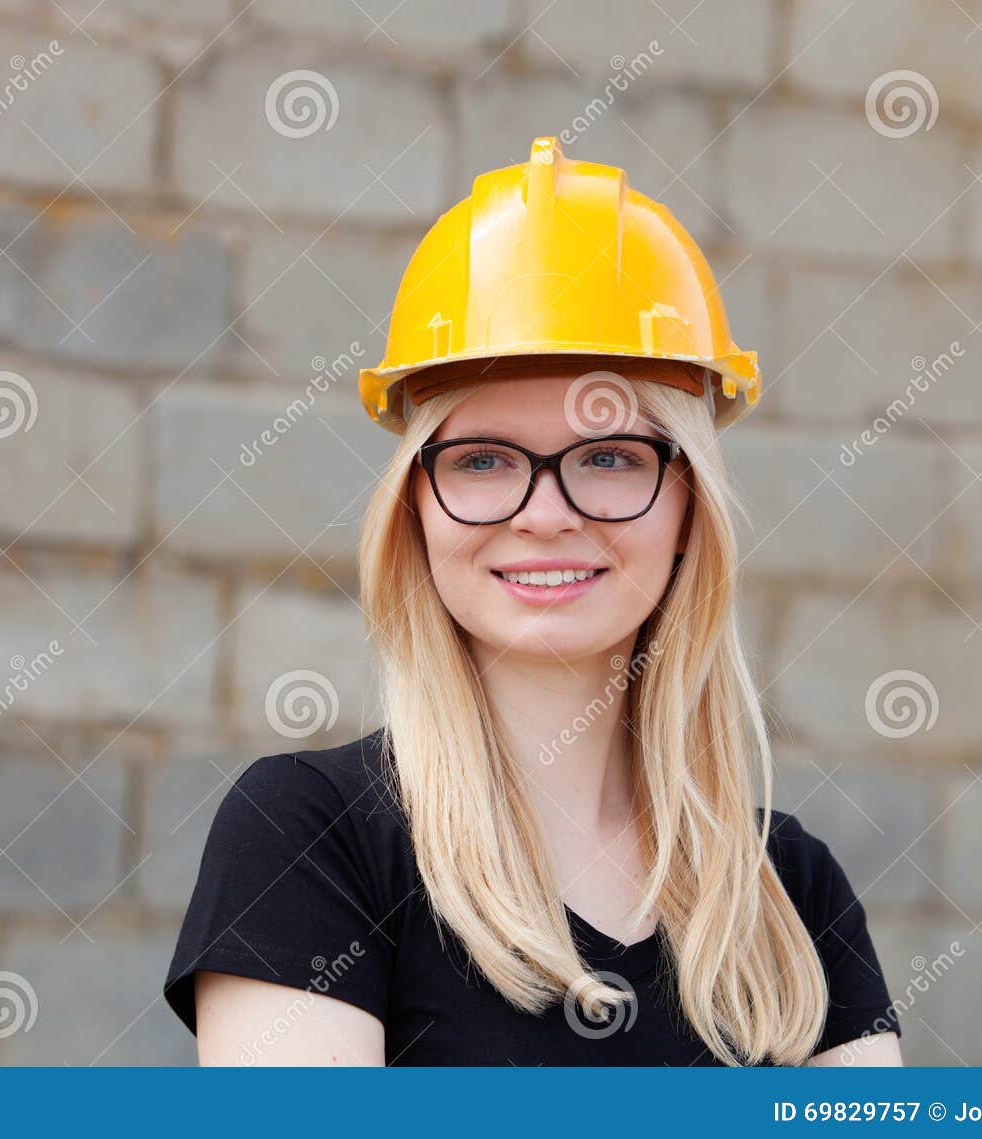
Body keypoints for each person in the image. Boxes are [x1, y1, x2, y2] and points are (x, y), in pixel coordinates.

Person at [163, 136, 903, 1067]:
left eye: (608, 457)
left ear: (688, 509)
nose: (545, 515)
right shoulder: (311, 837)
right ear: (416, 507)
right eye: (481, 460)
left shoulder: (789, 892)